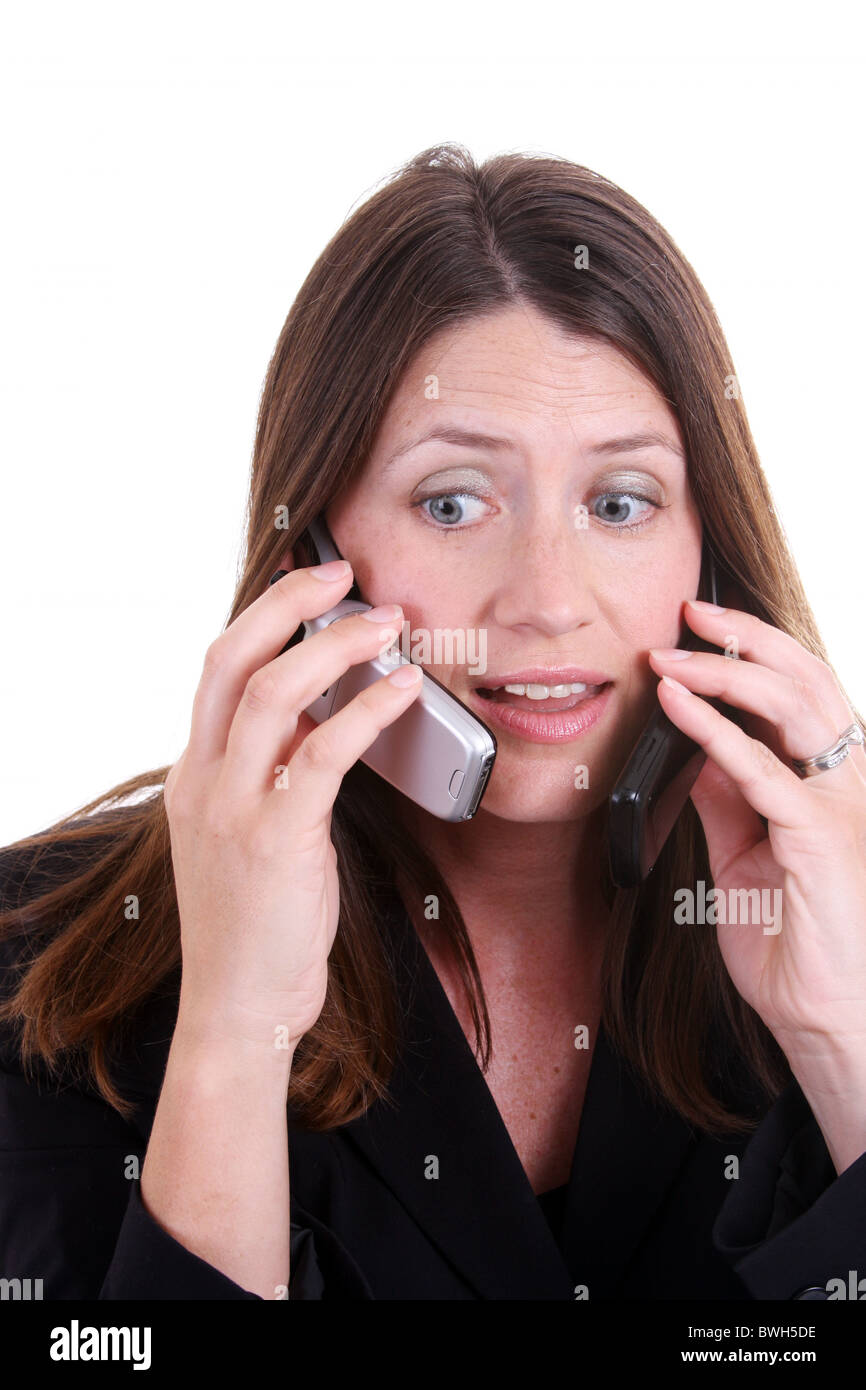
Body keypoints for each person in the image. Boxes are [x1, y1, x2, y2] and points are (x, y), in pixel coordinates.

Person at [2, 143, 865, 1302]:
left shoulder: (821, 926)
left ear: (704, 545)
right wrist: (230, 1036)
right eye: (451, 502)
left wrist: (846, 1038)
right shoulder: (34, 972)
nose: (548, 599)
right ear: (314, 550)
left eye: (619, 502)